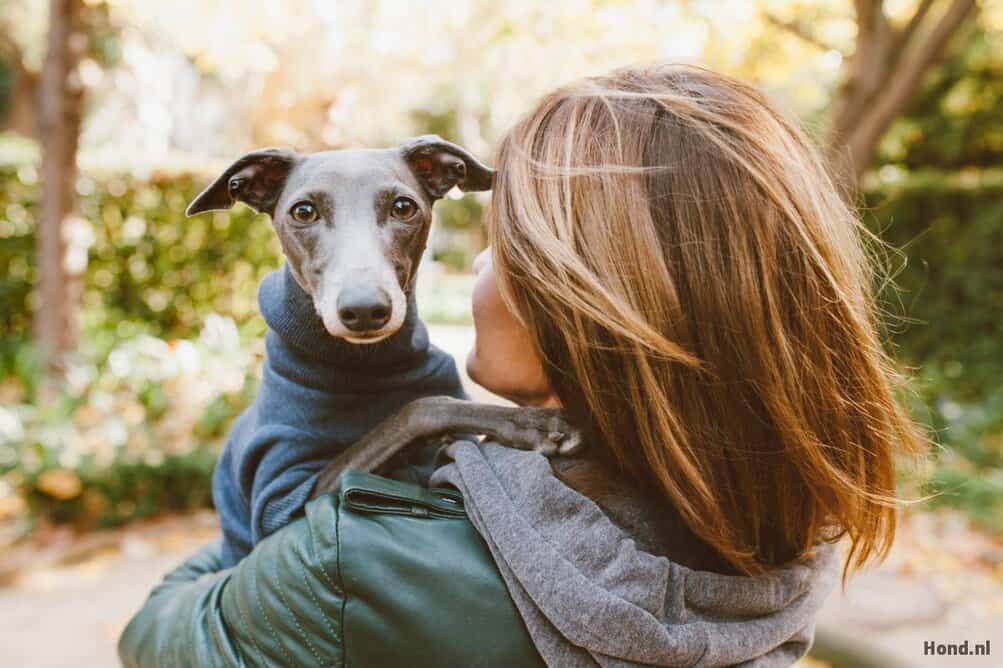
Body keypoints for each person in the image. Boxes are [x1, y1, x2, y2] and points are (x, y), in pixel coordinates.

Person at [119, 64, 921, 667]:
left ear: (590, 298)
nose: (477, 263)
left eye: (508, 240)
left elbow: (153, 633)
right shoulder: (784, 531)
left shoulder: (363, 562)